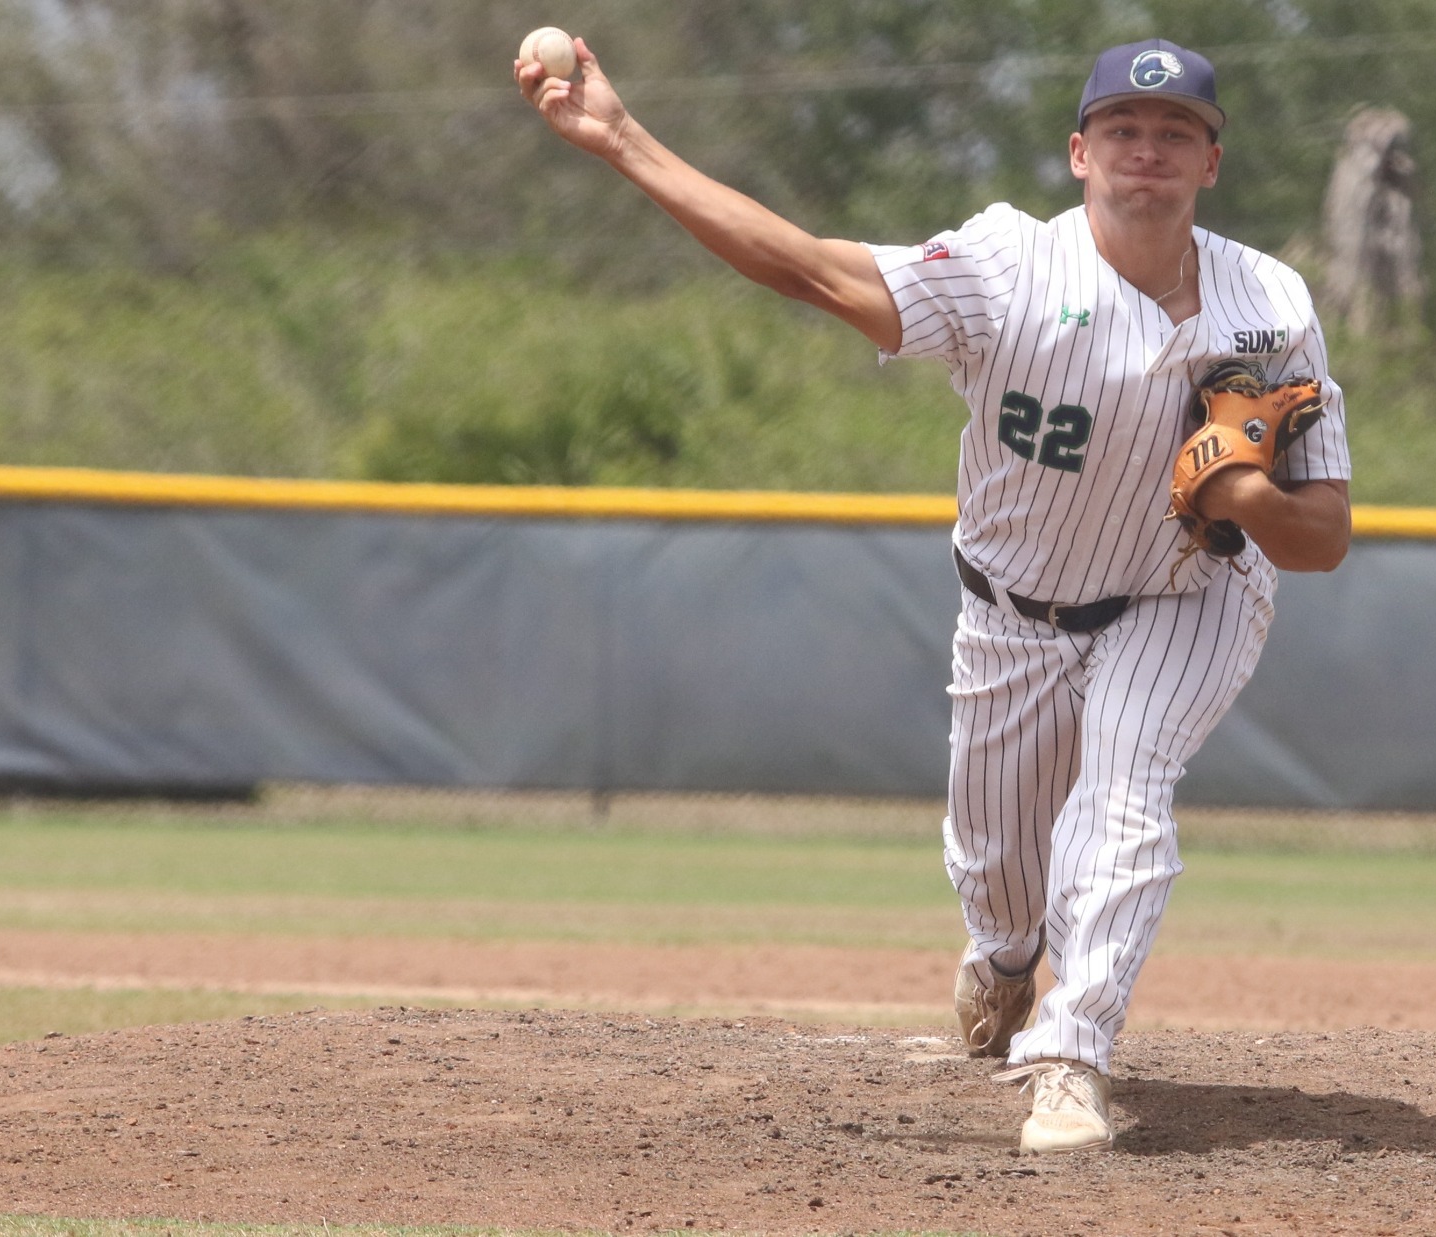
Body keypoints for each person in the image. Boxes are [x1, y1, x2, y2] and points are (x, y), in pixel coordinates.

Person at [519, 35, 1351, 1154]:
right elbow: (807, 267)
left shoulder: (1271, 305)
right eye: (1122, 130)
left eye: (1174, 134)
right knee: (999, 874)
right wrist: (620, 139)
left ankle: (1072, 1055)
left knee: (1124, 792)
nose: (1145, 151)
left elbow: (1323, 537)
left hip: (1183, 596)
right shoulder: (1008, 268)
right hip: (1012, 609)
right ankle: (1006, 970)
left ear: (1211, 161)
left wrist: (1245, 493)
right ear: (1078, 152)